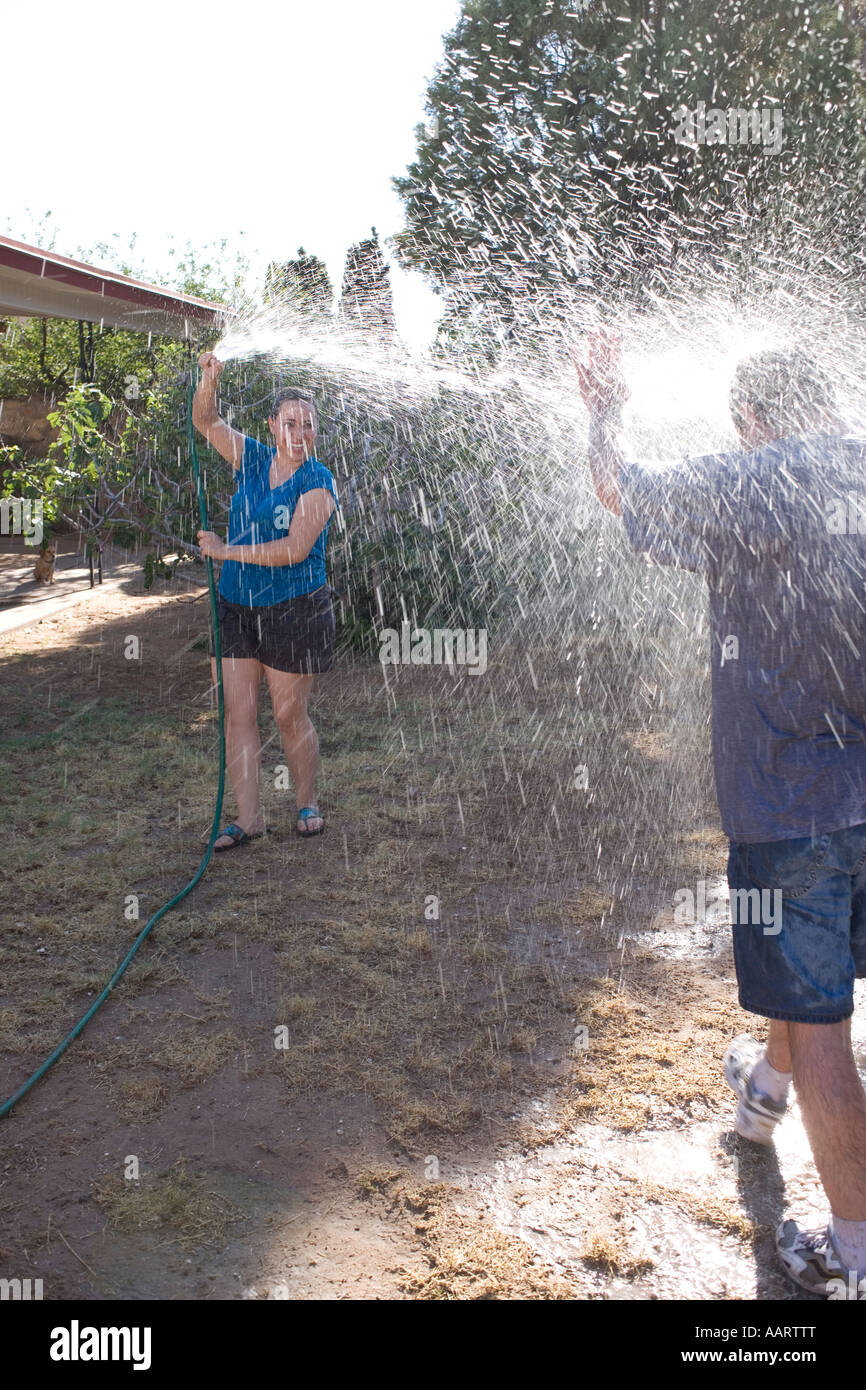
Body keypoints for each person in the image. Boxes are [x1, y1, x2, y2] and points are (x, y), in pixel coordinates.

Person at [573, 330, 866, 1299]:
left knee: (821, 1023)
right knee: (809, 987)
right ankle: (762, 1092)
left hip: (788, 810)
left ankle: (855, 1254)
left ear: (749, 420)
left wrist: (604, 403)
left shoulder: (752, 478)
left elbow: (617, 484)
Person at [192, 350, 339, 847]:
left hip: (295, 609)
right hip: (235, 605)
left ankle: (306, 802)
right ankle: (249, 818)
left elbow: (296, 549)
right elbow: (205, 420)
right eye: (291, 422)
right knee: (236, 713)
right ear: (272, 425)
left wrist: (227, 550)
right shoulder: (251, 457)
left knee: (287, 715)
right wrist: (209, 380)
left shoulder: (318, 480)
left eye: (309, 424)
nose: (300, 432)